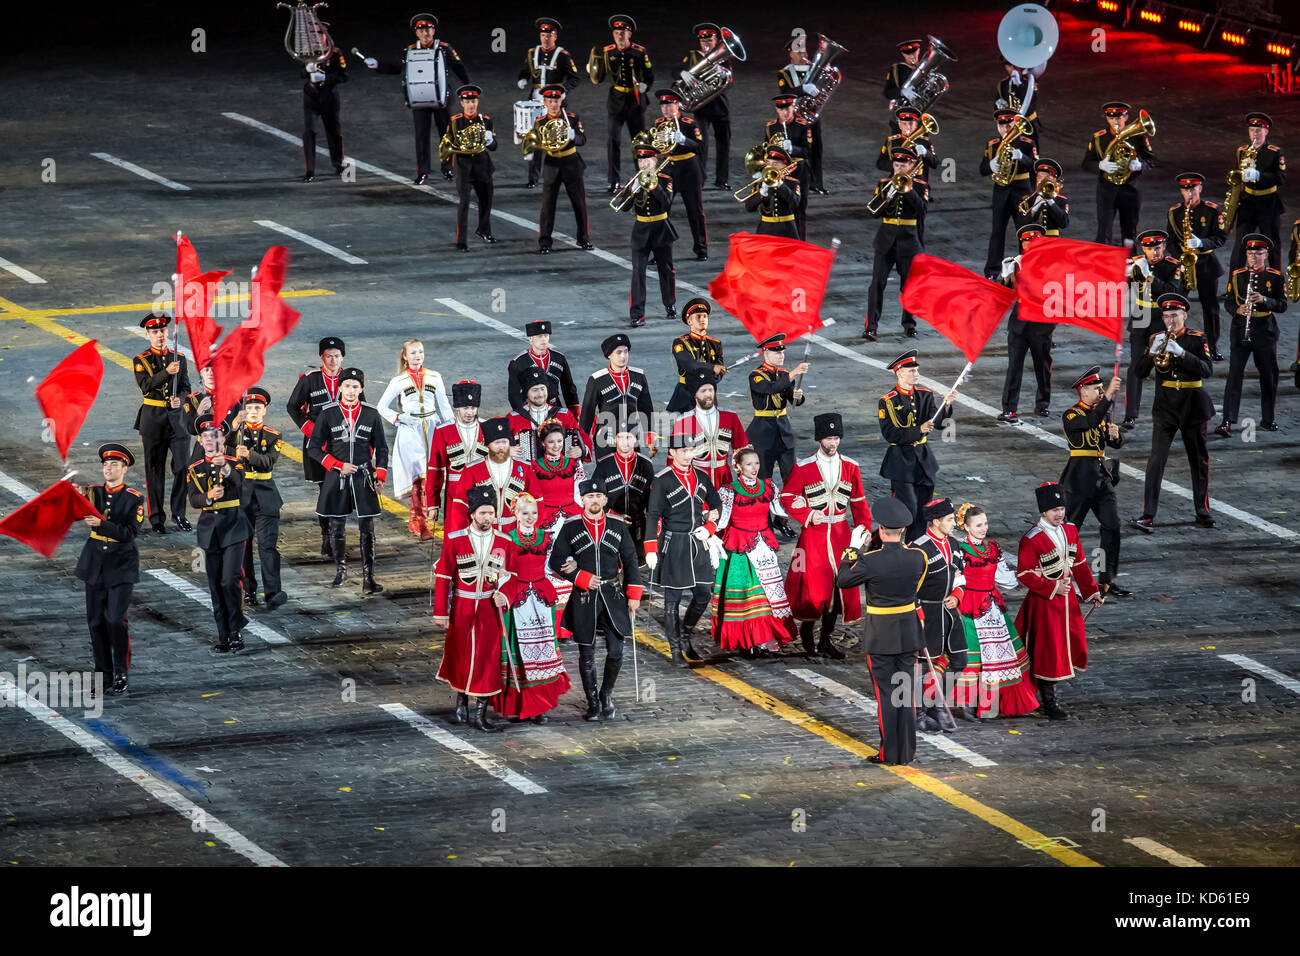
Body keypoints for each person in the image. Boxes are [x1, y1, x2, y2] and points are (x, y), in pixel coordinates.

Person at [834, 497, 928, 766]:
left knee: (887, 696)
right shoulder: (917, 557)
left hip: (881, 636)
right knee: (906, 693)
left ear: (881, 530)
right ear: (903, 531)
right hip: (909, 632)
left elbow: (843, 579)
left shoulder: (870, 560)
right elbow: (917, 586)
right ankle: (907, 752)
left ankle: (890, 753)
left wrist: (852, 549)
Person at [548, 478, 643, 720]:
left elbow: (631, 559)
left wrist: (633, 594)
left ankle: (606, 695)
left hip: (613, 593)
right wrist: (580, 577)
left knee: (616, 651)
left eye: (598, 496)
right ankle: (592, 701)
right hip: (584, 596)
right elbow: (556, 560)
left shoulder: (618, 524)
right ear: (582, 500)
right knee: (586, 653)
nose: (594, 500)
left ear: (604, 499)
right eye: (589, 497)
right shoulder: (570, 527)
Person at [781, 413, 872, 660]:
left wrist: (863, 530)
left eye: (836, 438)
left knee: (837, 589)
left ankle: (825, 639)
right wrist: (808, 514)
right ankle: (808, 632)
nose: (833, 443)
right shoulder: (804, 466)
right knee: (814, 589)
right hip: (814, 537)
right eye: (828, 438)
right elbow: (787, 497)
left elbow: (859, 505)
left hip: (841, 535)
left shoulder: (851, 467)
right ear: (819, 439)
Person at [1015, 482, 1103, 720]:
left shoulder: (1070, 531)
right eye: (1055, 509)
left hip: (1067, 605)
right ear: (1044, 511)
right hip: (1045, 605)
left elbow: (1080, 563)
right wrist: (1052, 586)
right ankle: (1049, 701)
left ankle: (1051, 695)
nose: (1060, 513)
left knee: (1064, 649)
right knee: (1047, 652)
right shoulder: (1031, 538)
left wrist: (1091, 591)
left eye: (1062, 508)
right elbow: (1024, 574)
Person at [1133, 293, 1215, 532]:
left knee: (1199, 461)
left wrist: (1181, 353)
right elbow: (1138, 373)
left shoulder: (1197, 340)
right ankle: (1148, 514)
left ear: (1184, 315)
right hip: (1166, 406)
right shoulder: (1155, 337)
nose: (1170, 320)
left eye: (1175, 315)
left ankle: (1203, 510)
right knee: (1156, 461)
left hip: (1193, 405)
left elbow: (1206, 370)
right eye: (1167, 316)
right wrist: (1150, 353)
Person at [434, 485, 512, 732]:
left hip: (489, 609)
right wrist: (441, 613)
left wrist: (505, 595)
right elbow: (444, 577)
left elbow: (511, 575)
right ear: (472, 514)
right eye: (482, 513)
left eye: (491, 513)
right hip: (463, 606)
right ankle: (461, 699)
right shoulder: (455, 540)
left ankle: (480, 714)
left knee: (487, 660)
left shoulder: (504, 541)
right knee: (462, 655)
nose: (487, 518)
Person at [952, 503, 1038, 718]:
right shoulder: (960, 550)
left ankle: (1005, 701)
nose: (983, 528)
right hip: (970, 606)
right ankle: (968, 703)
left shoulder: (992, 548)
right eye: (978, 525)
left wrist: (1025, 577)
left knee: (1001, 655)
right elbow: (955, 579)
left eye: (985, 523)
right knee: (975, 657)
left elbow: (1003, 577)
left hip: (992, 606)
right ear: (966, 527)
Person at [309, 367, 389, 593]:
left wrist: (380, 476)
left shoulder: (371, 414)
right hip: (337, 476)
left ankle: (368, 577)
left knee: (367, 528)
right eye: (347, 386)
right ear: (340, 388)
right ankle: (340, 572)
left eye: (355, 386)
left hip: (364, 478)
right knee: (337, 527)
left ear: (361, 388)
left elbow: (382, 449)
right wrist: (337, 465)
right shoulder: (328, 413)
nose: (351, 391)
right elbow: (314, 448)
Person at [711, 446, 798, 654]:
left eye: (756, 463)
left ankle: (763, 638)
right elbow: (722, 522)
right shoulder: (729, 491)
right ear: (738, 466)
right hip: (739, 550)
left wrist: (801, 502)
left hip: (763, 547)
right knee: (745, 597)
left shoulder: (768, 487)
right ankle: (745, 640)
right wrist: (708, 530)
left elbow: (781, 511)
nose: (754, 468)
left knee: (767, 594)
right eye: (749, 464)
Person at [495, 493, 571, 724]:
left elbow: (557, 563)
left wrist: (573, 564)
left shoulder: (546, 538)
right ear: (516, 514)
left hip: (540, 599)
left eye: (534, 513)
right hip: (517, 599)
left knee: (542, 648)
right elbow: (502, 571)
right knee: (519, 652)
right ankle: (519, 705)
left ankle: (539, 706)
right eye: (525, 513)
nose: (530, 517)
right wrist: (501, 590)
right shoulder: (507, 539)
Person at [364, 13, 468, 183]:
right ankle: (423, 171)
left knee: (446, 135)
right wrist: (378, 65)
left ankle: (447, 168)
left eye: (428, 29)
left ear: (433, 30)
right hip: (420, 99)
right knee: (421, 137)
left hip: (442, 98)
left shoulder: (443, 48)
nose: (425, 33)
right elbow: (399, 67)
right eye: (422, 30)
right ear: (417, 33)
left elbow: (459, 67)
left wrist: (468, 87)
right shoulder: (411, 50)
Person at [646, 432, 721, 665]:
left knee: (702, 594)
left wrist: (709, 527)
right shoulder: (662, 479)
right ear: (672, 453)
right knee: (673, 600)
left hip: (698, 541)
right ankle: (675, 648)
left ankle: (686, 635)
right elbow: (653, 515)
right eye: (683, 451)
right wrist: (650, 548)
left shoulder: (701, 476)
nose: (688, 456)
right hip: (674, 543)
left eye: (691, 451)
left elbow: (717, 504)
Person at [77, 444, 144, 696]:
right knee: (95, 622)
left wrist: (103, 524)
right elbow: (72, 512)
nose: (109, 468)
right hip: (94, 563)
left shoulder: (133, 498)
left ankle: (120, 671)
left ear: (124, 469)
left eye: (114, 465)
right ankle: (101, 675)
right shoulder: (92, 492)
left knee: (116, 619)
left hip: (120, 565)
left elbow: (130, 533)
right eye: (106, 465)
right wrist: (72, 496)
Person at [287, 336, 357, 555]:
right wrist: (308, 428)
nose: (333, 360)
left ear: (342, 357)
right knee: (325, 489)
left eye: (337, 356)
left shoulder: (350, 380)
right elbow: (292, 407)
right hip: (318, 444)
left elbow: (359, 407)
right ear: (321, 357)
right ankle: (327, 535)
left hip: (343, 443)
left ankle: (338, 536)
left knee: (341, 488)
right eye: (329, 356)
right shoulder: (310, 380)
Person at [186, 418, 251, 654]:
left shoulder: (235, 462)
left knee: (230, 580)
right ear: (201, 441)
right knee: (215, 585)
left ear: (223, 439)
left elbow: (240, 483)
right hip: (209, 531)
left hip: (233, 527)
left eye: (215, 436)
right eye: (205, 437)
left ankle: (236, 630)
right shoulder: (194, 469)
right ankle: (223, 635)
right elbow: (193, 498)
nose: (210, 441)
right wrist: (209, 497)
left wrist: (225, 468)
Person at [1060, 367, 1126, 596]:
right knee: (1069, 533)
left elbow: (1112, 442)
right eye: (1096, 389)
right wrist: (1108, 396)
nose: (1100, 392)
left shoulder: (1101, 412)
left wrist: (1116, 436)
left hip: (1101, 480)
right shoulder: (1071, 415)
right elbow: (1090, 422)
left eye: (1101, 388)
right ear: (1083, 390)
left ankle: (1106, 578)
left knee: (1112, 525)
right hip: (1078, 481)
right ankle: (1062, 578)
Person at [376, 339, 451, 539]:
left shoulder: (435, 377)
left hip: (433, 427)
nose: (417, 356)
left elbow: (444, 405)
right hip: (410, 430)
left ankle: (415, 518)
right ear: (405, 356)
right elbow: (381, 406)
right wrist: (399, 418)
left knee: (432, 475)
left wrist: (452, 429)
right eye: (413, 353)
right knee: (419, 477)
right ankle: (422, 522)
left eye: (420, 352)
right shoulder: (398, 381)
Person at [878, 349, 956, 541]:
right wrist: (918, 430)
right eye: (911, 371)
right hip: (901, 461)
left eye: (916, 370)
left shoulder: (925, 394)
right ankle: (900, 543)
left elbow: (938, 424)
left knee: (925, 508)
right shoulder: (888, 401)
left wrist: (946, 405)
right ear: (899, 373)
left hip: (923, 458)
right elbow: (890, 434)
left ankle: (917, 545)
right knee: (908, 508)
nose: (916, 374)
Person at [1216, 234, 1288, 437]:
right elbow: (1229, 301)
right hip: (1240, 329)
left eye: (1258, 253)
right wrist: (1237, 310)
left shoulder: (1275, 277)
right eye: (1250, 253)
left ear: (1266, 254)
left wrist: (1265, 299)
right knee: (1234, 375)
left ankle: (1268, 418)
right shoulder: (1238, 275)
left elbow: (1282, 305)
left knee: (1268, 374)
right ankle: (1227, 421)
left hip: (1264, 329)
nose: (1254, 257)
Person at [132, 313, 191, 534]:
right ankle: (157, 518)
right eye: (155, 332)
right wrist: (167, 372)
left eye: (163, 331)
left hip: (177, 420)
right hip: (153, 418)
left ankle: (179, 513)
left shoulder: (180, 358)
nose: (160, 335)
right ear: (148, 335)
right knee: (154, 469)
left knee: (183, 467)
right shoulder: (142, 360)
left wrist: (181, 399)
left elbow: (186, 386)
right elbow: (146, 385)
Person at [911, 498, 966, 732]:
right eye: (950, 520)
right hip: (928, 614)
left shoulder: (953, 544)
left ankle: (936, 704)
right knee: (925, 667)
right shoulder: (918, 548)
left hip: (949, 613)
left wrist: (957, 595)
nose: (954, 524)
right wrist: (919, 615)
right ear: (935, 521)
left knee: (959, 660)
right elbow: (909, 587)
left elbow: (961, 576)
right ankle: (920, 712)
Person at [228, 388, 287, 609]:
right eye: (249, 407)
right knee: (243, 547)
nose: (253, 411)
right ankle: (248, 591)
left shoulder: (273, 435)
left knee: (267, 546)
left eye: (257, 408)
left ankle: (273, 591)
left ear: (265, 410)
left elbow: (268, 461)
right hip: (241, 495)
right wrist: (233, 427)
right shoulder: (234, 433)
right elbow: (220, 448)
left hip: (265, 497)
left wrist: (249, 455)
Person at [864, 147, 930, 340]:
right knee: (877, 283)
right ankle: (871, 327)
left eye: (903, 165)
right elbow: (873, 211)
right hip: (886, 240)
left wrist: (907, 190)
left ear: (911, 166)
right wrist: (889, 195)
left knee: (909, 286)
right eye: (896, 165)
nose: (899, 169)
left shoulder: (920, 185)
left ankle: (909, 324)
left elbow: (921, 210)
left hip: (909, 241)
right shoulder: (885, 183)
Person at [1122, 229, 1185, 429]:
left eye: (1158, 248)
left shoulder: (1172, 265)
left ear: (1164, 247)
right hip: (1140, 316)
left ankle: (1165, 412)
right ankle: (1130, 414)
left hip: (1161, 318)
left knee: (1164, 366)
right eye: (1150, 249)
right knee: (1136, 366)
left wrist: (1150, 278)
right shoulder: (1136, 263)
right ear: (1144, 249)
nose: (1155, 252)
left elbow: (1174, 291)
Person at [997, 224, 1056, 424]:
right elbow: (1003, 295)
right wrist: (1005, 278)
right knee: (1014, 366)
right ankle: (1009, 408)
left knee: (1042, 365)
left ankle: (1043, 404)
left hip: (1042, 320)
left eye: (1034, 239)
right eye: (1026, 240)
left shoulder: (1051, 265)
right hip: (1020, 321)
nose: (1029, 243)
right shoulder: (1014, 263)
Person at [1166, 172, 1227, 360]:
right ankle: (1173, 345)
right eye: (1185, 189)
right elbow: (1170, 241)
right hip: (1184, 266)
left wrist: (1202, 243)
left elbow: (1220, 238)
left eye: (1192, 188)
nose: (1189, 192)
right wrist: (1180, 259)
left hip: (1206, 265)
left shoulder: (1212, 210)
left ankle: (1213, 347)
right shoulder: (1174, 212)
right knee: (1175, 308)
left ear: (1200, 188)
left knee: (1211, 308)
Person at [591, 14, 654, 192]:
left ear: (629, 35)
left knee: (639, 142)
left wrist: (645, 86)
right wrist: (593, 68)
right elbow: (599, 76)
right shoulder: (607, 52)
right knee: (613, 141)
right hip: (616, 101)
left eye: (623, 33)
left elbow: (650, 75)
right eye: (617, 32)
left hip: (635, 101)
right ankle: (614, 181)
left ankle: (641, 177)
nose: (619, 36)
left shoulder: (639, 52)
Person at [745, 333, 808, 507]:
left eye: (782, 353)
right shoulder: (756, 376)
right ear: (766, 354)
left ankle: (784, 517)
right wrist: (794, 373)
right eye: (777, 353)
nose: (781, 356)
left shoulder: (785, 374)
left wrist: (798, 397)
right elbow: (770, 389)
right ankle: (766, 519)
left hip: (783, 432)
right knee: (763, 480)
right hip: (763, 433)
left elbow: (792, 401)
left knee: (791, 478)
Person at [518, 17, 580, 189]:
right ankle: (533, 177)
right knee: (535, 136)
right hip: (536, 100)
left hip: (556, 102)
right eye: (543, 35)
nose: (545, 38)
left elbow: (574, 78)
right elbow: (525, 71)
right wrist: (523, 79)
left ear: (555, 37)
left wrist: (563, 91)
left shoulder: (562, 56)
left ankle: (563, 174)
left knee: (559, 137)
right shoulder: (532, 53)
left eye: (549, 35)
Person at [1081, 101, 1154, 249]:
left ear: (1126, 117)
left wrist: (1140, 165)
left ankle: (1131, 266)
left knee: (1129, 232)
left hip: (1130, 190)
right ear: (1107, 119)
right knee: (1103, 232)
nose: (1116, 121)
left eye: (1119, 117)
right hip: (1106, 190)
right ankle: (1103, 264)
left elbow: (1150, 160)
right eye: (1112, 118)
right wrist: (1100, 166)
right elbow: (1086, 163)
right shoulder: (1098, 138)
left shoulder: (1138, 137)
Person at [621, 142, 678, 329]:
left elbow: (667, 203)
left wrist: (654, 187)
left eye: (647, 160)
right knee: (638, 273)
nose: (643, 164)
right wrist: (631, 191)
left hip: (661, 227)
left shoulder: (664, 179)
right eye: (640, 160)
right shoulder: (634, 180)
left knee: (666, 269)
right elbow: (623, 207)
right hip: (641, 230)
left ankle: (670, 303)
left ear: (654, 160)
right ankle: (637, 315)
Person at [533, 85, 593, 253]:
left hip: (571, 162)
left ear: (561, 101)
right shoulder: (540, 122)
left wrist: (574, 135)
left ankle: (583, 238)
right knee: (547, 206)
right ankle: (544, 242)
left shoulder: (572, 118)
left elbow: (583, 139)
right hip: (552, 163)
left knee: (579, 203)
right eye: (550, 101)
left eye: (556, 100)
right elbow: (537, 144)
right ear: (544, 102)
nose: (553, 104)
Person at [980, 107, 1038, 280]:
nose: (1005, 128)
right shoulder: (993, 145)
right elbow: (982, 169)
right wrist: (990, 165)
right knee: (997, 231)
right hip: (1001, 190)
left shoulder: (1026, 143)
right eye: (1002, 125)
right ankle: (992, 271)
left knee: (1025, 232)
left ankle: (1027, 269)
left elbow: (1036, 166)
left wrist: (1022, 157)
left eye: (1008, 124)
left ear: (1015, 123)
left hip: (1021, 191)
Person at [579, 333, 656, 459]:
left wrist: (650, 438)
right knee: (607, 474)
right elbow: (587, 413)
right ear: (609, 355)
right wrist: (582, 445)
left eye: (626, 352)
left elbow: (646, 409)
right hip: (606, 436)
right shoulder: (597, 379)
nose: (623, 356)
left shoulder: (639, 376)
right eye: (618, 352)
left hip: (631, 434)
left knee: (632, 472)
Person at [670, 369, 747, 491]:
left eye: (710, 390)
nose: (708, 394)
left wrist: (743, 478)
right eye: (703, 391)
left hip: (724, 478)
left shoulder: (730, 416)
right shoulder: (683, 421)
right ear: (695, 394)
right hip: (696, 478)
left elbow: (741, 449)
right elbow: (674, 457)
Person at [1228, 112, 1286, 272]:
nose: (1255, 133)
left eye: (1259, 130)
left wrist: (1259, 175)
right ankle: (1232, 287)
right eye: (1252, 130)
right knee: (1240, 245)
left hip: (1268, 203)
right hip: (1247, 203)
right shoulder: (1242, 151)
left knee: (1273, 244)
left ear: (1266, 132)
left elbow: (1281, 178)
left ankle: (1276, 284)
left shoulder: (1274, 153)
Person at [426, 380, 486, 536]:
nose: (469, 412)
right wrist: (433, 503)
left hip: (483, 492)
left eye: (473, 408)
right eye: (465, 408)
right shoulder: (443, 431)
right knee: (456, 536)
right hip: (455, 493)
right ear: (457, 408)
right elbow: (435, 468)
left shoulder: (487, 428)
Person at [654, 88, 707, 260]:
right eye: (663, 105)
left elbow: (700, 147)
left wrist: (685, 140)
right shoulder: (658, 124)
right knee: (662, 210)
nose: (666, 109)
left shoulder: (689, 124)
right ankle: (659, 251)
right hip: (669, 167)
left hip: (689, 169)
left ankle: (701, 248)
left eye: (669, 105)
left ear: (677, 105)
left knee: (695, 211)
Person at [590, 423, 655, 558]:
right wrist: (614, 515)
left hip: (637, 524)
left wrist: (654, 529)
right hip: (610, 523)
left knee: (638, 566)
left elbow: (652, 499)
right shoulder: (604, 464)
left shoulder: (646, 464)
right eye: (621, 437)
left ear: (635, 439)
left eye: (629, 437)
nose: (625, 442)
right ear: (615, 440)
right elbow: (594, 497)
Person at [445, 85, 498, 249]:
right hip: (464, 167)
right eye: (467, 101)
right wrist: (446, 167)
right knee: (464, 204)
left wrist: (490, 141)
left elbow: (494, 147)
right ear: (461, 103)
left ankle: (484, 230)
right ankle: (461, 241)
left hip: (482, 166)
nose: (471, 105)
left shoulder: (486, 120)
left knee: (486, 201)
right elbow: (446, 146)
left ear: (477, 101)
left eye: (473, 101)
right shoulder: (455, 122)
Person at [455, 417, 529, 533]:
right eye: (496, 443)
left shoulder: (525, 467)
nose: (501, 447)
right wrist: (462, 535)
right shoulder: (472, 469)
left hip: (515, 533)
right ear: (488, 444)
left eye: (504, 442)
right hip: (482, 532)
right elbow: (461, 504)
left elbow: (537, 501)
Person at [682, 23, 733, 189]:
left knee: (724, 143)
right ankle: (700, 179)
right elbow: (677, 71)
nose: (706, 44)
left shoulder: (723, 57)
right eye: (703, 41)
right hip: (701, 108)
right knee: (701, 145)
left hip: (720, 107)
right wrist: (683, 73)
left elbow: (729, 82)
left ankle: (722, 180)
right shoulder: (693, 57)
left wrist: (721, 71)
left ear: (716, 40)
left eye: (709, 40)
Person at [507, 366, 591, 464]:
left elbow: (583, 438)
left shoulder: (564, 415)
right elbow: (496, 444)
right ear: (526, 393)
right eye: (535, 390)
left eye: (543, 389)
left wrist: (581, 450)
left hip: (559, 470)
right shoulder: (513, 418)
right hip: (527, 472)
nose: (540, 394)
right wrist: (506, 450)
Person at [777, 34, 826, 194]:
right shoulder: (784, 73)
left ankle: (817, 183)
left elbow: (823, 87)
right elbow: (785, 92)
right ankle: (793, 180)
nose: (803, 55)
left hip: (812, 114)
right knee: (796, 149)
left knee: (817, 148)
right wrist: (803, 89)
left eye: (804, 51)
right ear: (790, 53)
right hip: (794, 118)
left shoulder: (813, 69)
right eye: (798, 52)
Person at [299, 21, 348, 182]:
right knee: (309, 132)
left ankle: (338, 164)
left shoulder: (334, 52)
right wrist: (306, 71)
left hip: (329, 97)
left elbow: (343, 76)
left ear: (326, 35)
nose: (316, 38)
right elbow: (300, 73)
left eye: (319, 34)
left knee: (334, 132)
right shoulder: (306, 53)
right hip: (312, 98)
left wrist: (326, 78)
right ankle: (310, 170)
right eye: (313, 35)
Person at [524, 420, 588, 542]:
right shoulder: (533, 467)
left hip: (573, 513)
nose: (556, 446)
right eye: (551, 442)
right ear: (543, 443)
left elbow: (580, 492)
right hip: (544, 516)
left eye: (559, 441)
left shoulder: (575, 464)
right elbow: (531, 495)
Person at [765, 94, 814, 239]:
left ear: (793, 107)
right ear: (776, 109)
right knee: (780, 208)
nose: (785, 113)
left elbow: (809, 151)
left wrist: (794, 149)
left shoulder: (802, 125)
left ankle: (800, 244)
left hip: (798, 171)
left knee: (799, 209)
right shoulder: (771, 127)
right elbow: (766, 149)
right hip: (779, 172)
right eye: (781, 110)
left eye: (788, 108)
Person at [506, 320, 581, 416]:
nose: (544, 339)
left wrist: (575, 414)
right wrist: (524, 416)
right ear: (530, 338)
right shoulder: (518, 363)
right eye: (539, 336)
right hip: (530, 411)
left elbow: (569, 389)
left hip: (555, 409)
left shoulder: (559, 358)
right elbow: (514, 395)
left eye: (546, 335)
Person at [666, 297, 726, 413]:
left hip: (708, 395)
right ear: (689, 321)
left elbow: (718, 374)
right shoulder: (680, 343)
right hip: (686, 395)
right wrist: (712, 368)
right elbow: (689, 365)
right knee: (687, 429)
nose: (702, 319)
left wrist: (718, 372)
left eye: (705, 316)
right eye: (698, 317)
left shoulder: (715, 344)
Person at [742, 145, 801, 240]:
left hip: (787, 230)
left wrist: (781, 186)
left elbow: (795, 204)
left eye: (775, 164)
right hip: (766, 230)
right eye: (769, 163)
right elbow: (749, 207)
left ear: (784, 165)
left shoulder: (792, 183)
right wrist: (761, 193)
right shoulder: (760, 183)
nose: (771, 167)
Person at [1013, 159, 1070, 237]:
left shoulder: (1061, 200)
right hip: (1033, 240)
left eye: (1047, 177)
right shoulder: (1027, 199)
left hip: (1052, 241)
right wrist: (1035, 207)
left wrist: (1051, 202)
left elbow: (1064, 224)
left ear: (1053, 180)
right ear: (1036, 180)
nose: (1042, 180)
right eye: (1039, 177)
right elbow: (1021, 224)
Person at [996, 57, 1041, 147]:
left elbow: (1030, 102)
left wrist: (1019, 85)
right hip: (1010, 125)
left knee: (1030, 153)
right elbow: (998, 101)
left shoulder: (1030, 82)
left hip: (1028, 124)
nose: (1011, 69)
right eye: (1008, 65)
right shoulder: (1003, 84)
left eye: (1014, 66)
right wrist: (998, 105)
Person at [882, 38, 923, 111]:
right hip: (902, 113)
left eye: (914, 51)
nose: (912, 56)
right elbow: (887, 93)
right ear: (903, 54)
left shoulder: (924, 69)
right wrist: (902, 92)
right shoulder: (897, 69)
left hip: (920, 112)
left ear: (919, 50)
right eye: (908, 53)